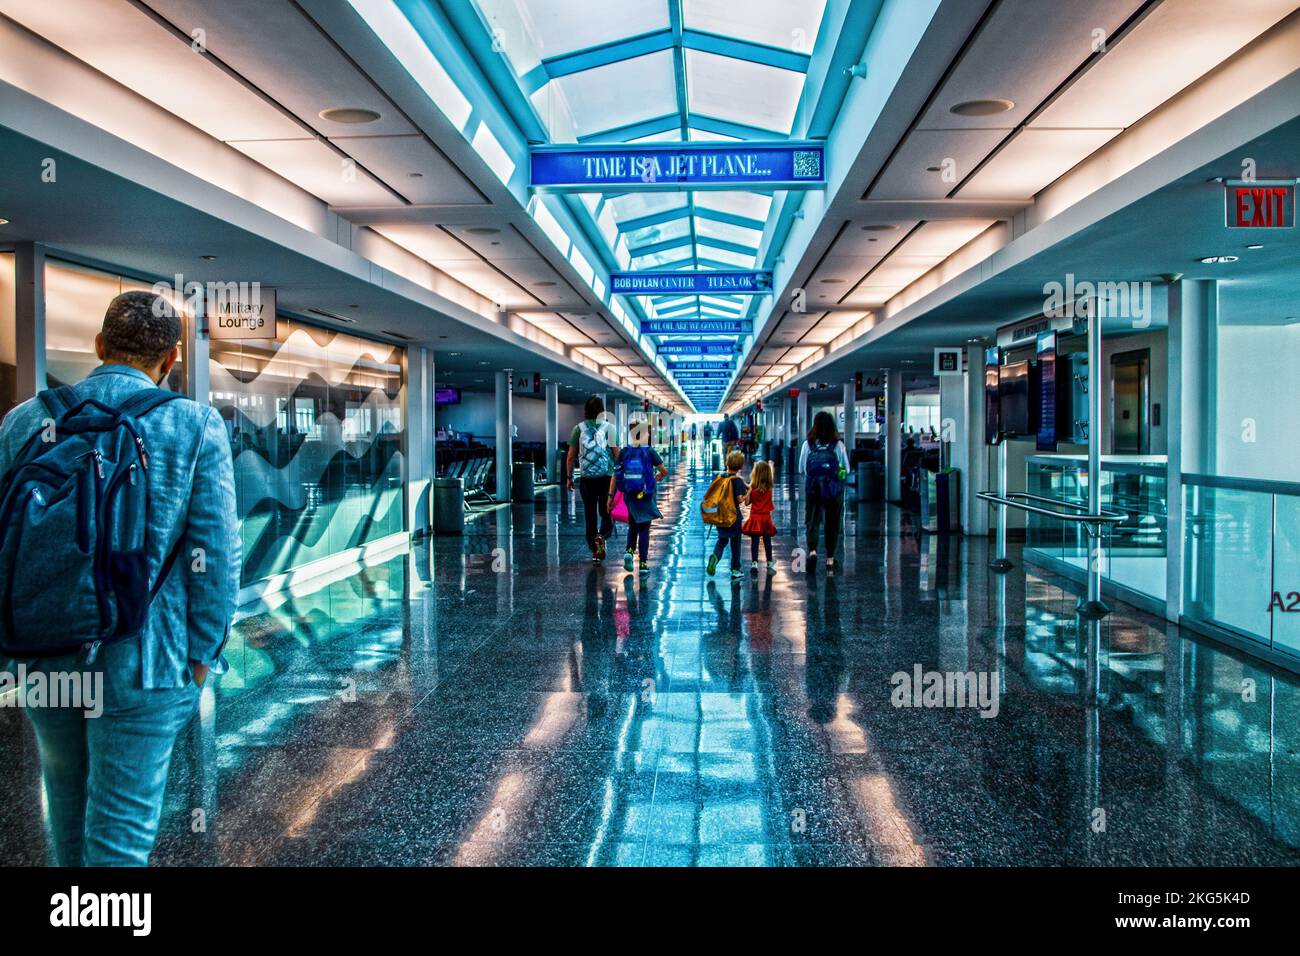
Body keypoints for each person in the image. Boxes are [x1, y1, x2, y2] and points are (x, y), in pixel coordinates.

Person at [0, 290, 239, 866]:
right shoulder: (193, 425)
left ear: (100, 344)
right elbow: (217, 554)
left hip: (42, 653)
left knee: (68, 814)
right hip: (145, 661)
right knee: (121, 835)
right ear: (172, 358)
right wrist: (200, 656)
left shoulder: (24, 421)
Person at [609, 421, 668, 575]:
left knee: (633, 523)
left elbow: (616, 475)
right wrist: (656, 478)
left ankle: (629, 551)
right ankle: (642, 564)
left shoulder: (624, 451)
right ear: (643, 434)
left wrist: (611, 497)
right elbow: (664, 470)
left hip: (629, 494)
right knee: (644, 528)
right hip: (645, 494)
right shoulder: (649, 451)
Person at [566, 396, 620, 563]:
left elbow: (570, 457)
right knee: (607, 512)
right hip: (606, 478)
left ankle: (594, 549)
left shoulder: (578, 429)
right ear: (601, 411)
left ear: (585, 411)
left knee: (590, 514)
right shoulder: (609, 428)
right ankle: (602, 535)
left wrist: (569, 477)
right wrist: (620, 476)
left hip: (587, 479)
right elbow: (617, 454)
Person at [799, 410, 850, 572]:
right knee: (832, 523)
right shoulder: (839, 445)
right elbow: (846, 469)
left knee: (812, 521)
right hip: (833, 490)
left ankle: (813, 552)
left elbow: (802, 469)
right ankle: (829, 559)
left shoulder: (808, 445)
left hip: (813, 490)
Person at [706, 449, 748, 579]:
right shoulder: (737, 481)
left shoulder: (720, 477)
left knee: (722, 540)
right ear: (741, 466)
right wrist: (749, 492)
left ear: (727, 463)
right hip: (733, 518)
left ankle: (715, 556)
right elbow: (740, 499)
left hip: (720, 517)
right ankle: (735, 569)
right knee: (735, 543)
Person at [741, 459, 778, 575]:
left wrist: (747, 490)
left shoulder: (753, 489)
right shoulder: (769, 488)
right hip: (766, 519)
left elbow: (746, 503)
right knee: (767, 542)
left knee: (755, 542)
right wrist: (771, 465)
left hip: (755, 519)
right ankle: (769, 561)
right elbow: (771, 476)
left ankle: (754, 563)